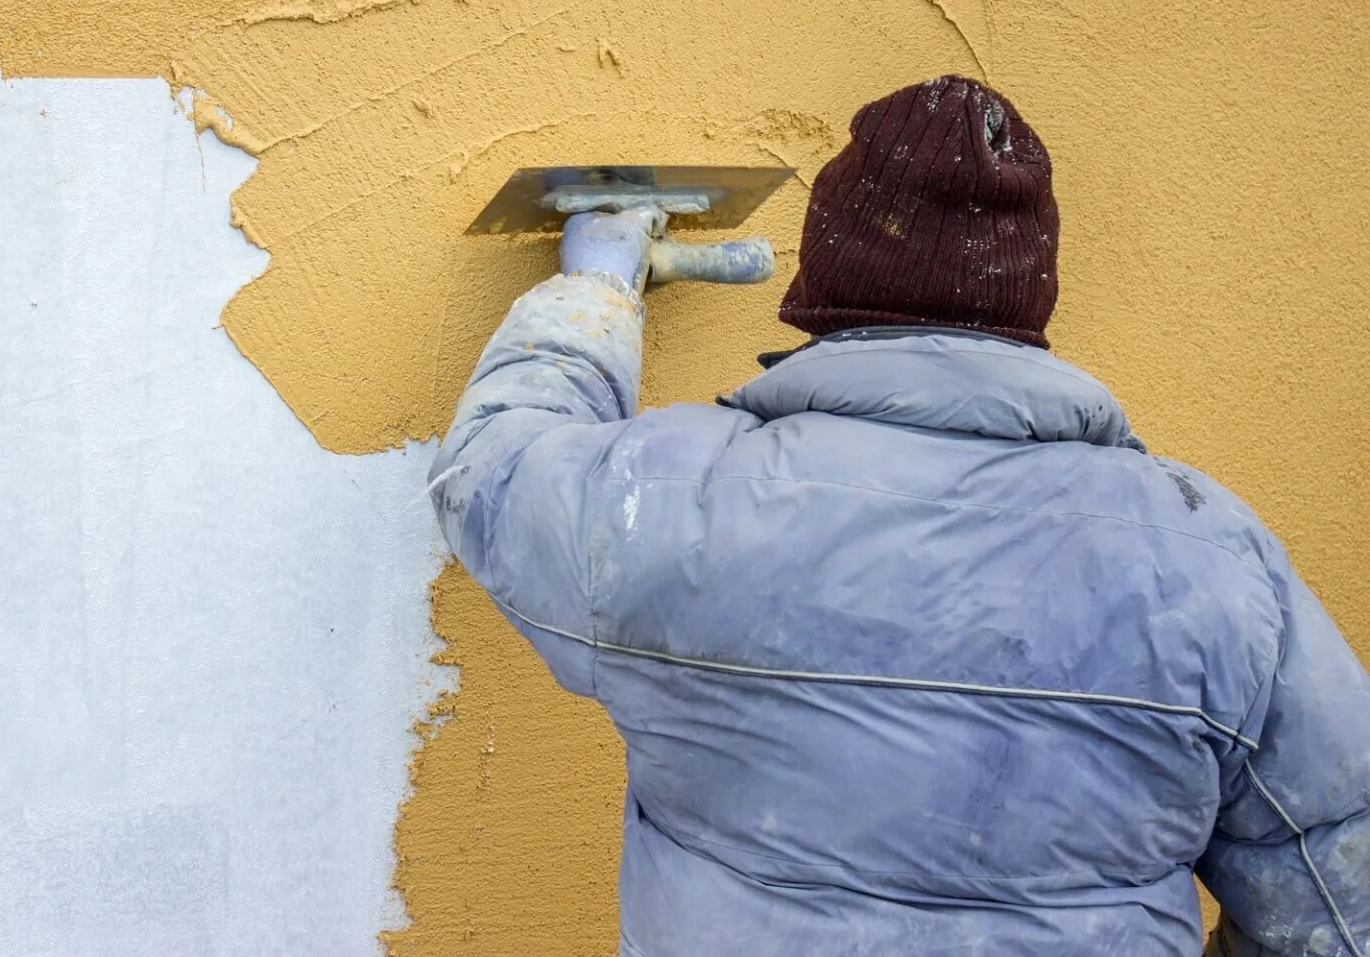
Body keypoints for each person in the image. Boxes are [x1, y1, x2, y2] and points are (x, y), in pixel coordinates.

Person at [428, 75, 1370, 957]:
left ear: (829, 281)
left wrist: (595, 290)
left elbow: (491, 470)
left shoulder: (676, 501)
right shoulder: (1211, 558)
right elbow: (1335, 889)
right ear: (1029, 298)